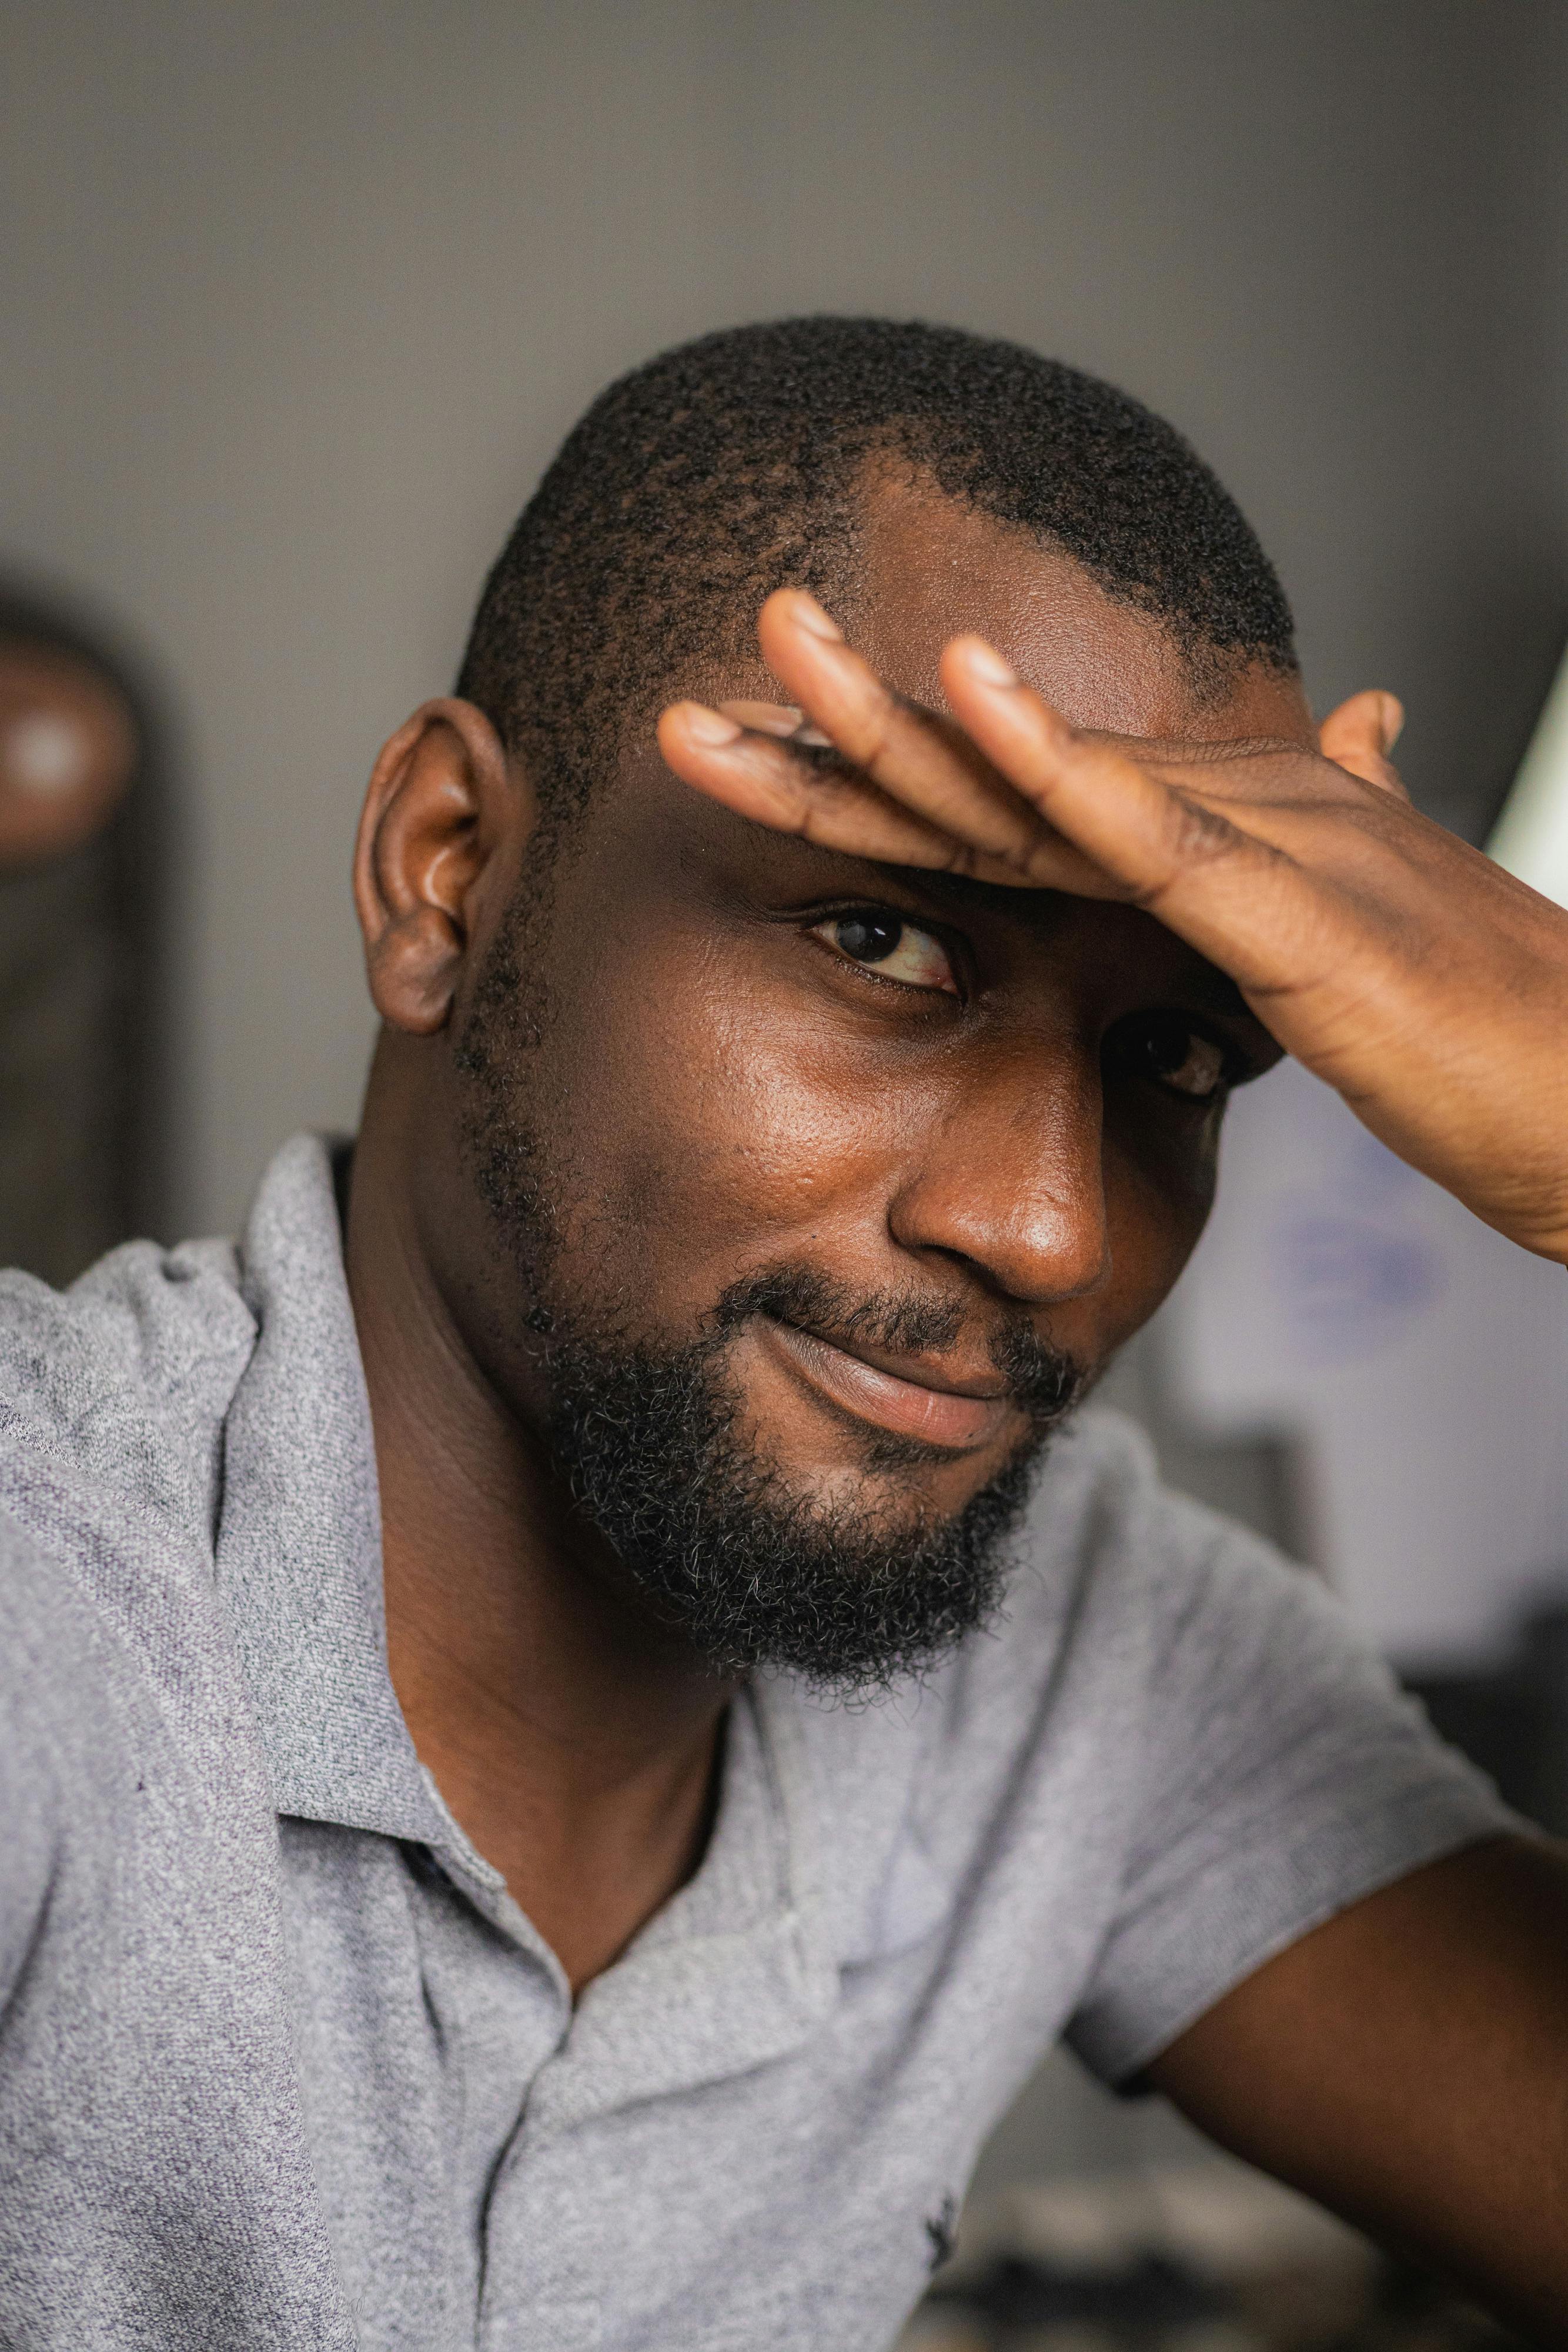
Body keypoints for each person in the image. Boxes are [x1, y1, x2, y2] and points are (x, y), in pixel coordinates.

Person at [3, 318, 1566, 2351]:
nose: (1046, 1224)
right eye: (882, 940)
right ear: (447, 875)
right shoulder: (53, 1617)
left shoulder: (1093, 1654)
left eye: (1174, 1056)